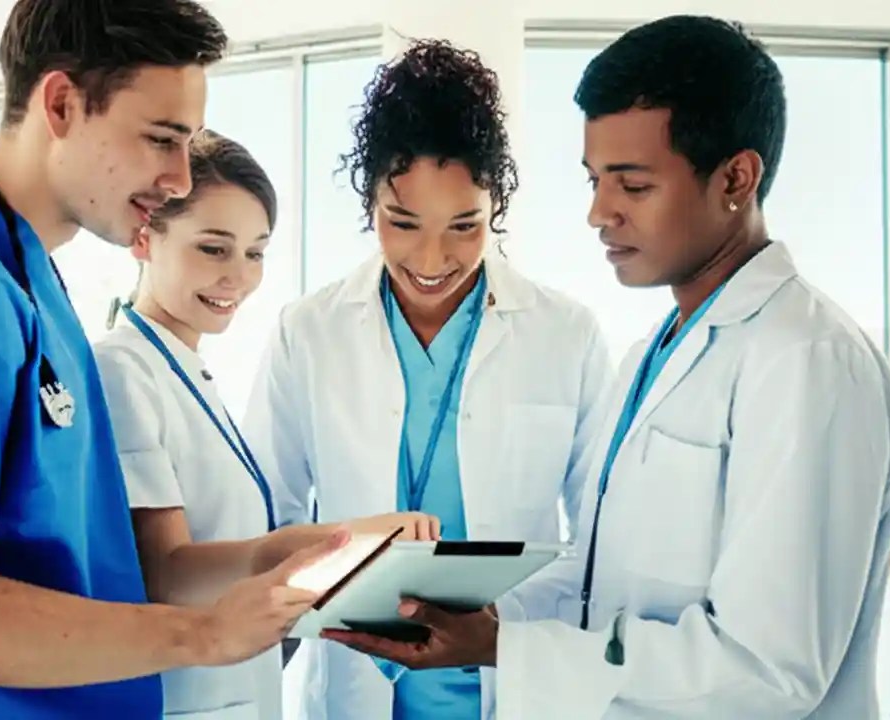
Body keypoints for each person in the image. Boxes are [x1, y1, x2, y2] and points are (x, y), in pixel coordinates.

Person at [323, 16, 890, 720]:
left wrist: (506, 647)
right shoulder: (653, 356)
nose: (599, 213)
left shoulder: (808, 364)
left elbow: (767, 670)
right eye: (595, 180)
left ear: (735, 179)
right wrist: (461, 617)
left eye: (632, 185)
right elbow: (599, 579)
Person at [0, 2, 347, 718]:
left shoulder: (33, 287)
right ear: (60, 103)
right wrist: (202, 634)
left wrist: (269, 560)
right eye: (161, 138)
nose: (181, 177)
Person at [243, 39, 613, 720]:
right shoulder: (309, 332)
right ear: (369, 204)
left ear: (495, 205)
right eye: (402, 222)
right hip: (356, 683)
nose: (433, 257)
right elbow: (272, 517)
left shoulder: (567, 333)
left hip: (512, 679)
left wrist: (498, 618)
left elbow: (597, 536)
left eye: (465, 226)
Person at [93, 129, 440, 720]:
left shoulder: (188, 375)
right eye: (213, 248)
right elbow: (165, 573)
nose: (238, 277)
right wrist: (339, 543)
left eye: (255, 253)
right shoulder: (122, 370)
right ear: (145, 236)